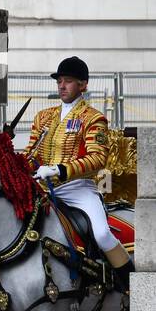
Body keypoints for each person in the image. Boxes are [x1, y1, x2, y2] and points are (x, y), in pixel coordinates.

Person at [25, 56, 132, 290]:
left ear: (83, 85)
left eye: (69, 81)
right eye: (59, 81)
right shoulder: (43, 117)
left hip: (78, 189)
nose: (62, 86)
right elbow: (31, 153)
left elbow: (97, 159)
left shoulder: (93, 118)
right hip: (43, 189)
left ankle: (133, 288)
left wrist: (59, 170)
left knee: (103, 234)